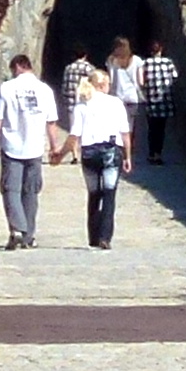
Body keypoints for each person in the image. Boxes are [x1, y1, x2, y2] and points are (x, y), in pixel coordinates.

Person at [0, 53, 61, 251]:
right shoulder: (45, 90)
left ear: (18, 66)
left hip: (12, 146)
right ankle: (29, 236)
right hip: (35, 147)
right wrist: (54, 147)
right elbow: (51, 122)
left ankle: (17, 229)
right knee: (31, 192)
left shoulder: (6, 88)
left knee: (10, 190)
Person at [69, 63, 133, 250]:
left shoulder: (81, 105)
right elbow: (125, 133)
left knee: (94, 194)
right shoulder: (116, 103)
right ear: (103, 84)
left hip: (89, 153)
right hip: (111, 152)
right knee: (109, 195)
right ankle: (105, 237)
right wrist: (128, 156)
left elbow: (74, 135)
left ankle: (93, 236)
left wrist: (61, 153)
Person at [105, 38, 145, 173]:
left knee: (117, 125)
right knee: (130, 126)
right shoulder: (137, 60)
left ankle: (118, 148)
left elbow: (110, 80)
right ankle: (128, 151)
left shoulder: (112, 60)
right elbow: (141, 81)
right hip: (132, 97)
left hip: (117, 97)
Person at [136, 39, 178, 165]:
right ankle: (158, 154)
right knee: (161, 129)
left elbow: (141, 82)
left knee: (152, 128)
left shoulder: (144, 63)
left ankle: (152, 153)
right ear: (161, 50)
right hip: (165, 100)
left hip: (151, 101)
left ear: (150, 51)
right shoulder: (168, 62)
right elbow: (175, 76)